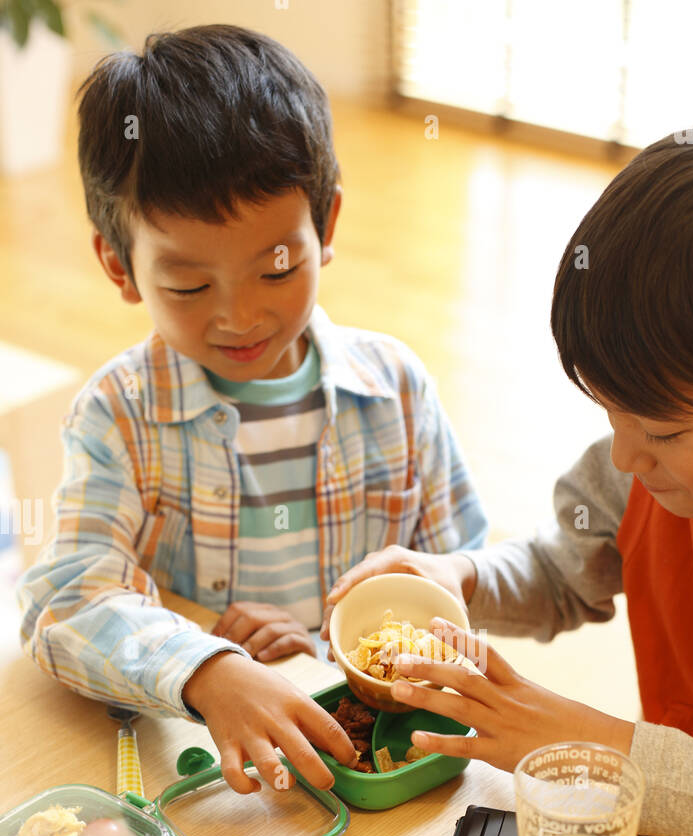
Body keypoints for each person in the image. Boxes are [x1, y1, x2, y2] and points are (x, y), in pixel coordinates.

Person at [323, 129, 693, 836]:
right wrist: (461, 578)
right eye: (609, 413)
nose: (623, 458)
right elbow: (559, 570)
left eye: (661, 430)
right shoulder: (649, 462)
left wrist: (601, 749)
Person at [17, 24, 486, 795]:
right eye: (191, 287)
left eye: (275, 267)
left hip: (373, 765)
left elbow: (454, 589)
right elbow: (64, 602)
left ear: (326, 227)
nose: (239, 317)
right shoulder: (119, 414)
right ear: (119, 267)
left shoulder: (397, 389)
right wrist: (209, 662)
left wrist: (319, 649)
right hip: (214, 769)